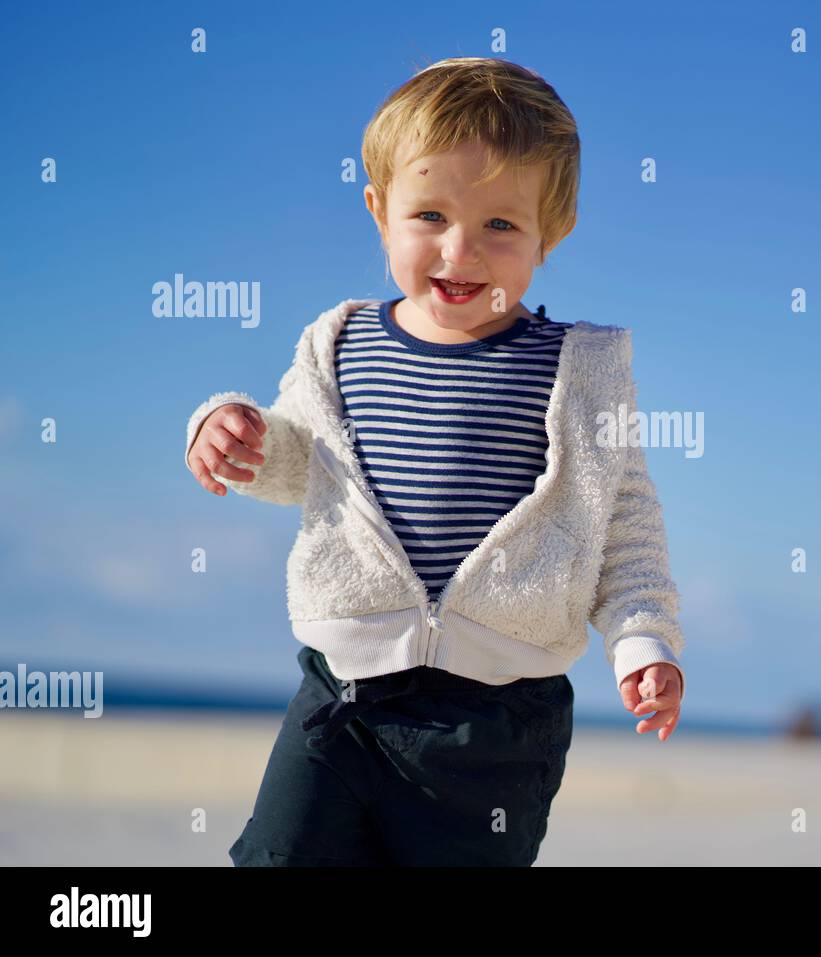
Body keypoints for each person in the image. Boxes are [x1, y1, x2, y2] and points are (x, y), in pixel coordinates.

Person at [182, 57, 685, 866]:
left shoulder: (578, 369)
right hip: (342, 698)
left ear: (550, 233)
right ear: (380, 212)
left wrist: (643, 641)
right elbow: (300, 463)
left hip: (495, 724)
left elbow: (624, 522)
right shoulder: (341, 341)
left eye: (500, 225)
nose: (461, 251)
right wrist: (234, 429)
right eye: (429, 215)